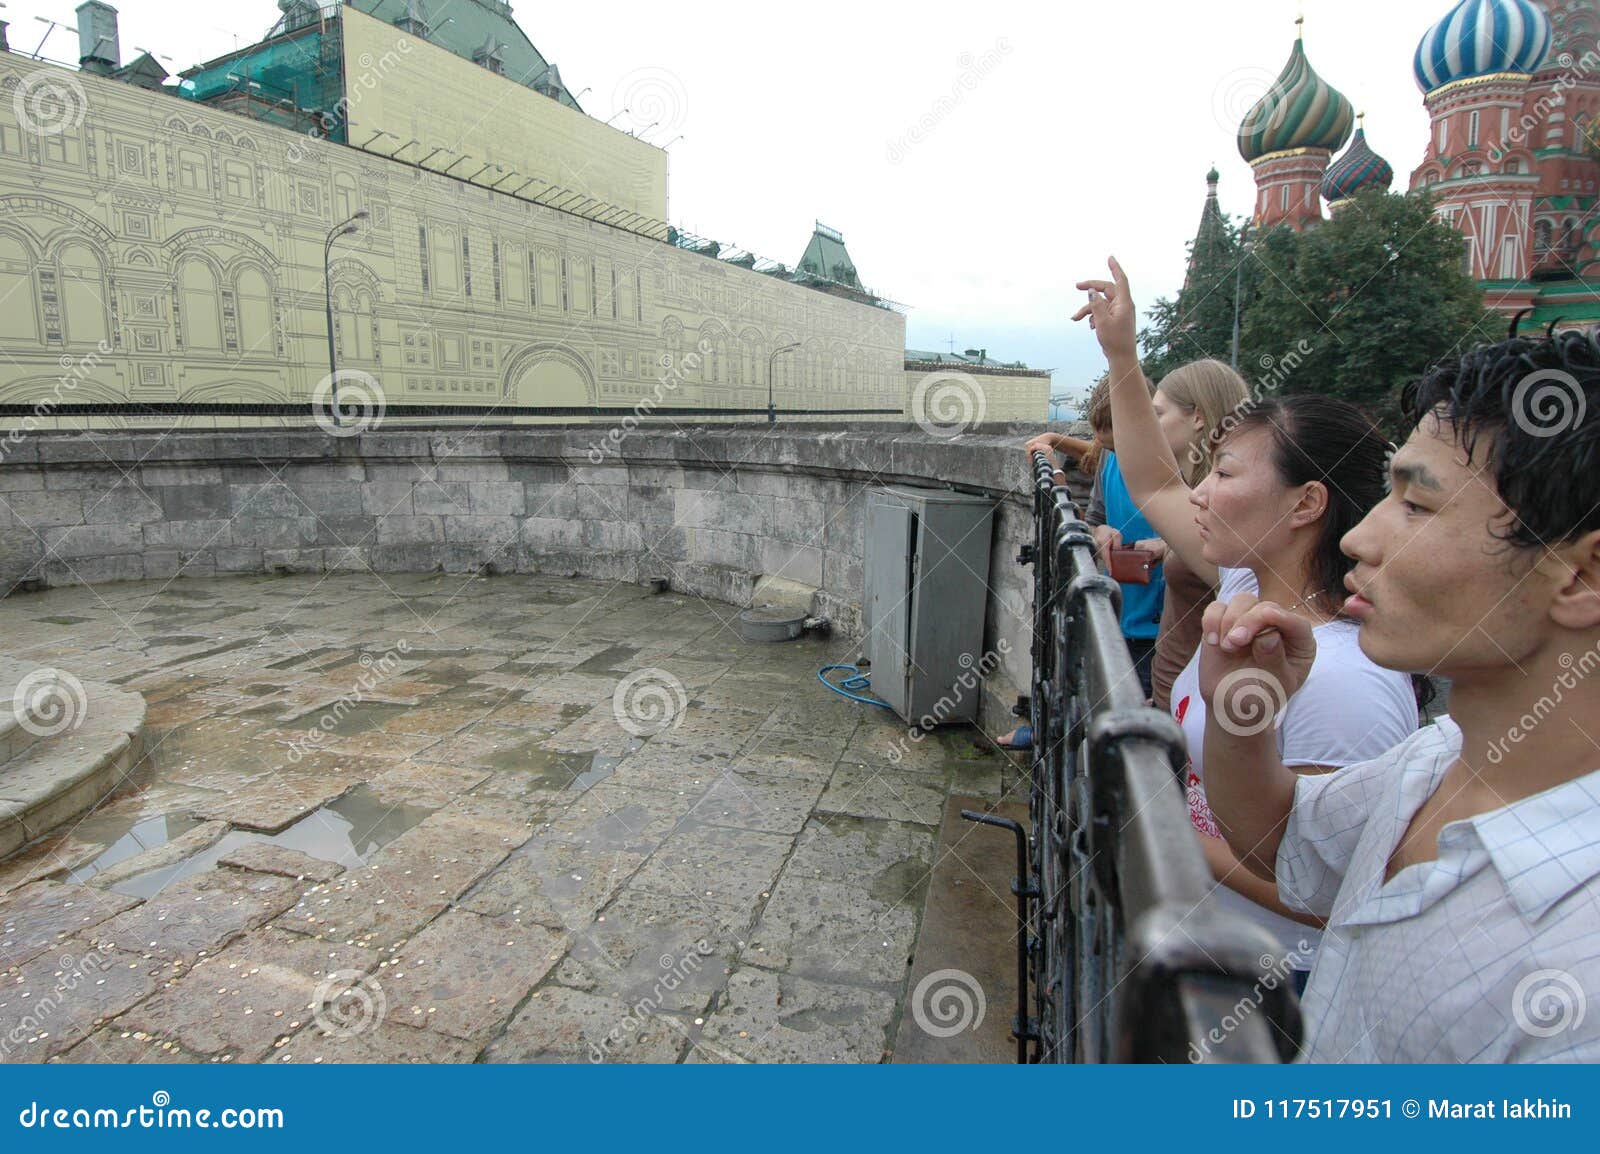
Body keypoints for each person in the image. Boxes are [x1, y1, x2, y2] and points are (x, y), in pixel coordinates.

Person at [1197, 325, 1600, 1061]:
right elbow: (1285, 840)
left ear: (1580, 575)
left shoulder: (1578, 972)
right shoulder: (1436, 758)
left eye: (1417, 506)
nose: (1358, 538)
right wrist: (1241, 717)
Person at [1074, 257, 1419, 988]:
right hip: (1209, 950)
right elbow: (1154, 478)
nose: (1199, 492)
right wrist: (1122, 356)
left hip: (1271, 989)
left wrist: (1162, 827)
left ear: (1306, 504)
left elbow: (1332, 894)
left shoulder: (1346, 681)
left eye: (1225, 473)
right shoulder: (1247, 583)